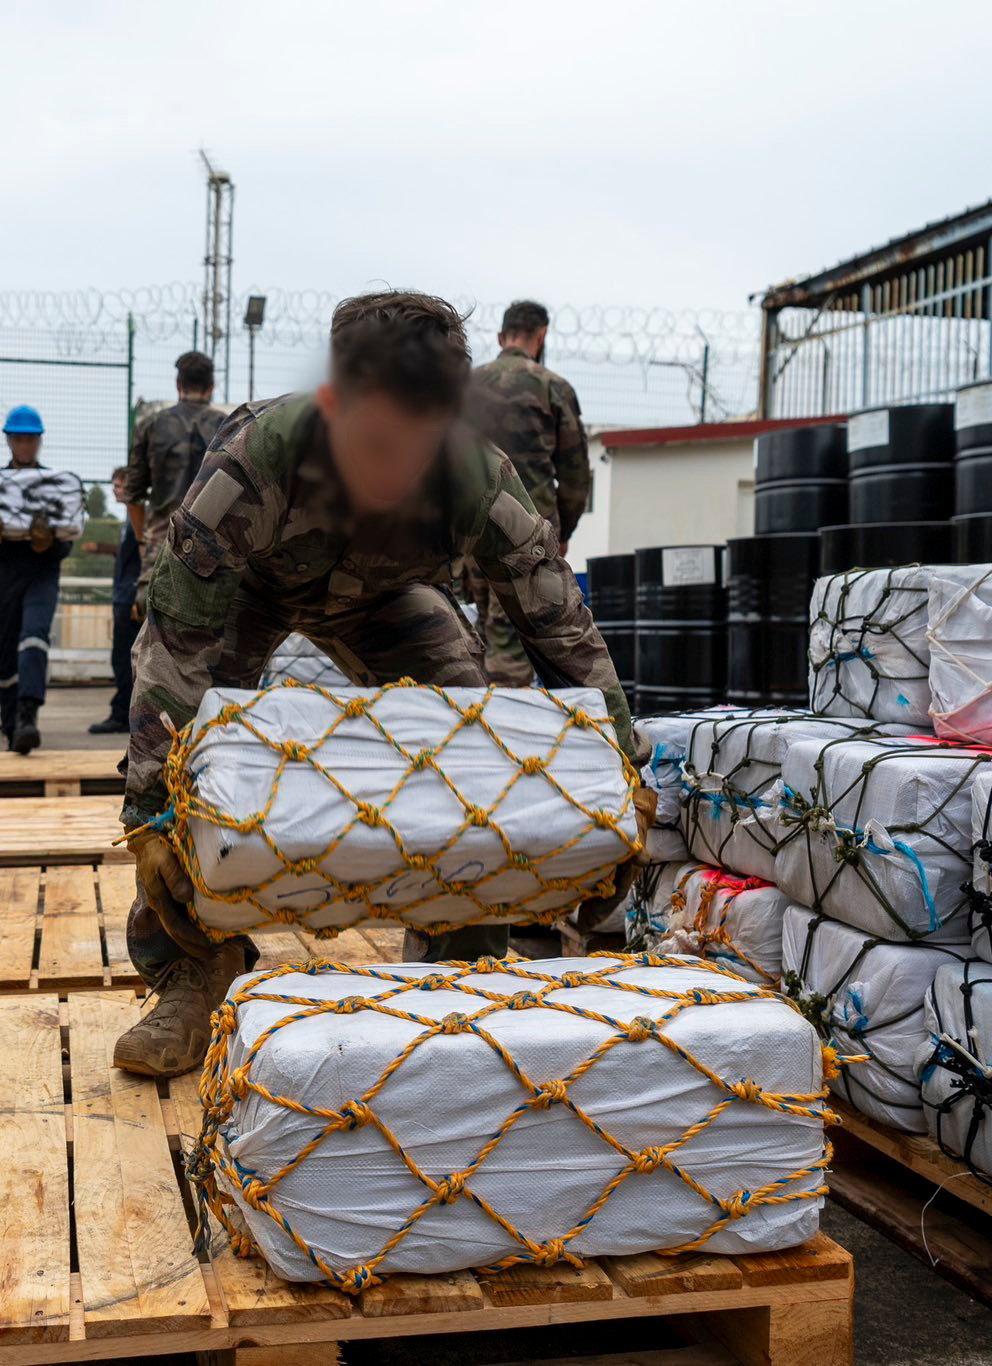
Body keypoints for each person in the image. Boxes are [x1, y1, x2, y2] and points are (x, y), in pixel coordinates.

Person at [110, 290, 639, 1077]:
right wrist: (151, 803)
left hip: (385, 596)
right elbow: (176, 635)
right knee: (194, 757)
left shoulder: (476, 479)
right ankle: (192, 972)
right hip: (249, 588)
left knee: (472, 726)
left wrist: (622, 770)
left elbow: (558, 623)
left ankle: (455, 958)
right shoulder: (255, 461)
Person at [463, 300, 591, 685]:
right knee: (512, 639)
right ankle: (507, 732)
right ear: (542, 335)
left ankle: (474, 720)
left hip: (470, 525)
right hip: (527, 531)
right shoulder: (552, 387)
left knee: (480, 626)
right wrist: (564, 532)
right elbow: (575, 475)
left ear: (501, 337)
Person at [0, 403, 68, 754]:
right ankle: (10, 722)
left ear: (39, 442)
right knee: (4, 655)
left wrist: (47, 542)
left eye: (31, 439)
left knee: (33, 638)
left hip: (42, 575)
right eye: (18, 439)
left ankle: (28, 715)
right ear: (8, 441)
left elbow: (66, 544)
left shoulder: (55, 486)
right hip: (7, 576)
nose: (25, 446)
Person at [125, 349, 225, 604]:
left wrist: (141, 540)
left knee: (154, 630)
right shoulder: (229, 427)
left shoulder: (151, 425)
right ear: (211, 387)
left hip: (162, 543)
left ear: (178, 384)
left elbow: (133, 495)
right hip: (213, 546)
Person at [91, 465, 138, 734]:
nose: (115, 490)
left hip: (130, 595)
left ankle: (122, 714)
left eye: (120, 485)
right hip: (123, 594)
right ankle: (124, 711)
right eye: (114, 485)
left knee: (124, 658)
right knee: (121, 657)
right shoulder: (130, 519)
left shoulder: (138, 519)